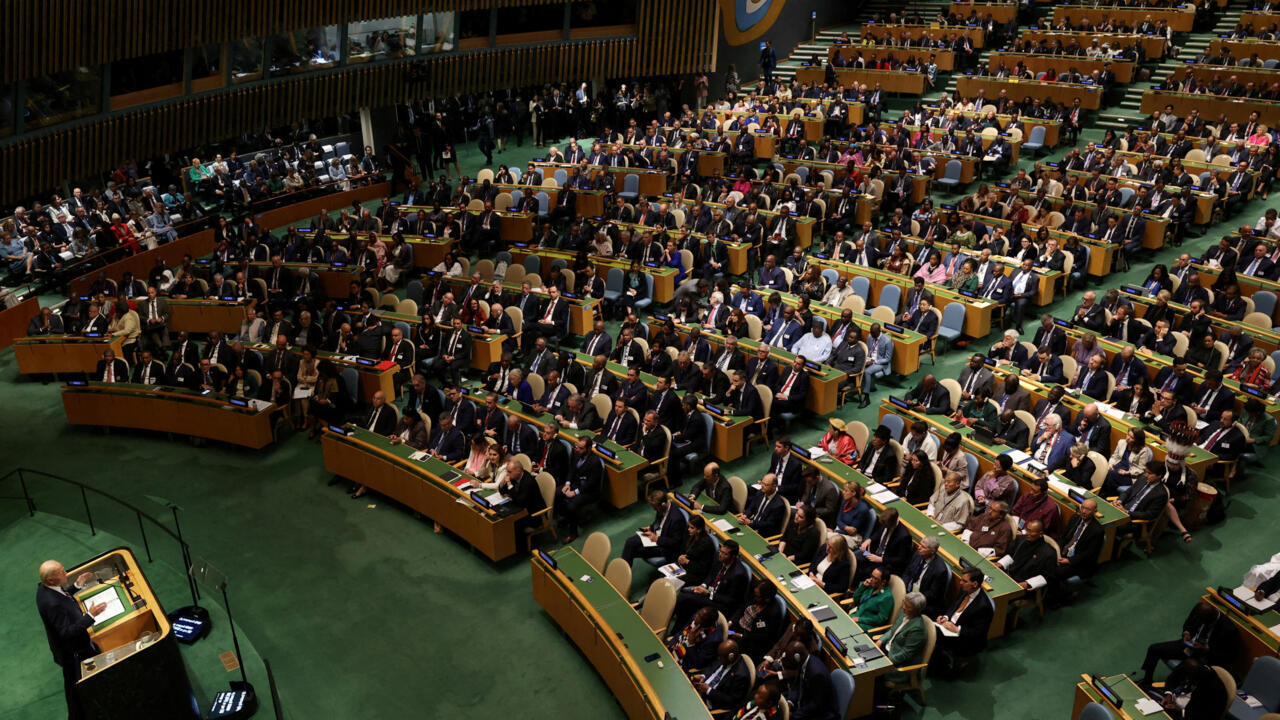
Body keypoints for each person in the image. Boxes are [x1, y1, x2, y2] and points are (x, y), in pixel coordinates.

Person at [37, 560, 110, 720]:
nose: (66, 573)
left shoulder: (44, 589)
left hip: (75, 649)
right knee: (76, 692)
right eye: (62, 573)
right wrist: (90, 616)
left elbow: (62, 597)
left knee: (75, 690)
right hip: (74, 654)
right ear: (51, 580)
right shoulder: (51, 603)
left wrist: (76, 586)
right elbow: (66, 632)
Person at [1139, 601, 1239, 685]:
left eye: (1203, 621)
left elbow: (1227, 656)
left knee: (1185, 668)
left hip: (1206, 657)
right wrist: (1186, 633)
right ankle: (1147, 681)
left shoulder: (1228, 629)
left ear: (1211, 619)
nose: (1199, 622)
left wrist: (1204, 649)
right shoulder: (1199, 610)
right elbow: (1188, 623)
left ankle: (1172, 691)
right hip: (1189, 645)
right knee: (1154, 649)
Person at [933, 568, 995, 673]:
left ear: (974, 584)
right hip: (949, 626)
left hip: (964, 637)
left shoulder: (984, 606)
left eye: (964, 581)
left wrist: (957, 629)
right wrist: (946, 617)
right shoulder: (964, 590)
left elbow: (978, 633)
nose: (960, 583)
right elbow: (954, 606)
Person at [620, 489, 689, 566]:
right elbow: (659, 523)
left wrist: (657, 539)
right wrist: (651, 527)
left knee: (632, 550)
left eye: (655, 508)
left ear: (663, 504)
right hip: (655, 536)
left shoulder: (676, 518)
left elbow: (676, 542)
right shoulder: (661, 509)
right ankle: (623, 571)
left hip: (665, 547)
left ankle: (623, 573)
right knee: (630, 542)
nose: (654, 509)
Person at [877, 592, 929, 688]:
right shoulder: (903, 613)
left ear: (917, 610)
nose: (904, 607)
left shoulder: (918, 629)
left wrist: (885, 662)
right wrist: (881, 640)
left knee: (871, 675)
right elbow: (893, 630)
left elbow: (905, 654)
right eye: (904, 603)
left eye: (908, 606)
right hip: (887, 650)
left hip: (898, 663)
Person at [691, 638, 752, 712]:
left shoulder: (741, 675)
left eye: (720, 657)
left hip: (709, 703)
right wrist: (703, 676)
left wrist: (709, 690)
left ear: (731, 657)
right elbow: (712, 666)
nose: (718, 658)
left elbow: (731, 701)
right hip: (699, 690)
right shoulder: (724, 656)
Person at [902, 536, 951, 617]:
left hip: (923, 602)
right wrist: (903, 585)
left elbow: (932, 595)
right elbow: (908, 572)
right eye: (920, 544)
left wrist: (913, 597)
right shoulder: (918, 555)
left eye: (923, 547)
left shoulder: (940, 570)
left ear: (932, 551)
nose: (919, 548)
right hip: (909, 592)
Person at [847, 567, 895, 631]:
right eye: (871, 576)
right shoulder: (871, 587)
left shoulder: (887, 597)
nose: (871, 579)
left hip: (867, 625)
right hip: (855, 616)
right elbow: (856, 598)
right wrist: (863, 586)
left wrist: (860, 619)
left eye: (875, 578)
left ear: (883, 582)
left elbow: (880, 619)